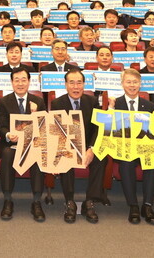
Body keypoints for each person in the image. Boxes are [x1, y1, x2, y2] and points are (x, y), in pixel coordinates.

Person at [50, 69, 104, 223]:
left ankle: (90, 201)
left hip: (87, 146)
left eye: (79, 83)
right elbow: (56, 131)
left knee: (101, 156)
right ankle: (69, 201)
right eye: (71, 83)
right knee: (65, 156)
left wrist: (91, 149)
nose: (75, 87)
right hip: (66, 145)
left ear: (84, 84)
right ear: (66, 85)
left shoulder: (92, 102)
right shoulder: (57, 103)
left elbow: (98, 128)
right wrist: (67, 149)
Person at [0, 66, 46, 221]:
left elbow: (44, 127)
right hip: (13, 144)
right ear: (12, 82)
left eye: (24, 80)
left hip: (33, 143)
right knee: (7, 153)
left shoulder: (38, 101)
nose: (20, 83)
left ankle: (36, 201)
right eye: (16, 80)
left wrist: (36, 115)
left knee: (38, 153)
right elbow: (1, 126)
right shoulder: (4, 101)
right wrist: (8, 135)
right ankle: (8, 199)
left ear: (29, 82)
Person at [110, 68, 154, 224]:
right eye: (128, 82)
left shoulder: (149, 105)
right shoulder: (116, 103)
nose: (132, 86)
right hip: (123, 148)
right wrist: (110, 110)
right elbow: (107, 128)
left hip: (145, 147)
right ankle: (133, 205)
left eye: (135, 82)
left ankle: (147, 205)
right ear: (122, 84)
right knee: (126, 164)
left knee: (152, 162)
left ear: (140, 84)